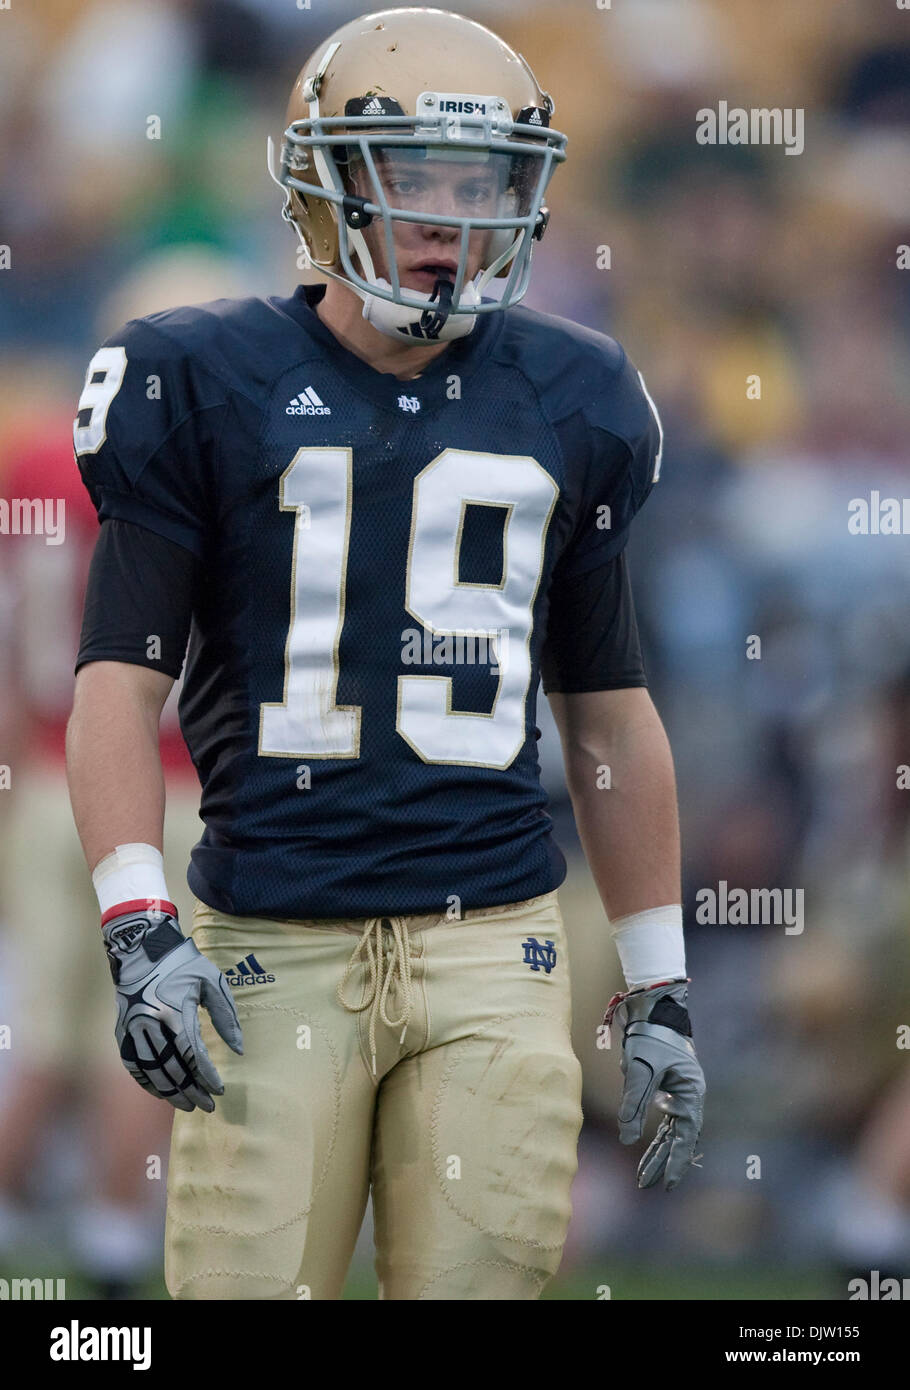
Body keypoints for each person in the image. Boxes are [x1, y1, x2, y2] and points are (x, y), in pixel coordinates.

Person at [66, 6, 705, 1301]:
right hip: (270, 940)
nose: (449, 213)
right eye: (411, 174)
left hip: (497, 943)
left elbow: (608, 714)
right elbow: (115, 690)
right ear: (325, 185)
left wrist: (659, 982)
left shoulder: (576, 396)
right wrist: (140, 925)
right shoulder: (192, 375)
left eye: (481, 181)